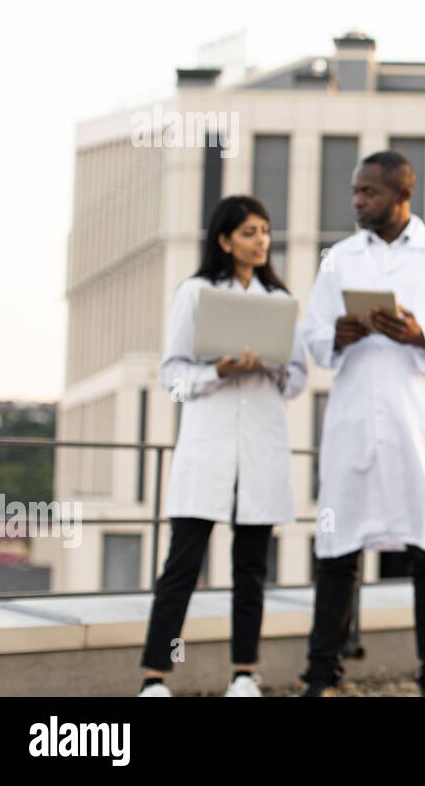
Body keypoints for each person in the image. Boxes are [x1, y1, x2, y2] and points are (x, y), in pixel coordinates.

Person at [298, 151, 425, 697]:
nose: (358, 201)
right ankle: (321, 676)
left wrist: (418, 337)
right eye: (356, 191)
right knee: (337, 552)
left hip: (418, 425)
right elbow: (311, 337)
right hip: (354, 422)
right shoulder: (338, 259)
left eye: (368, 193)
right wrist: (337, 334)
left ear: (401, 194)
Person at [139, 196, 308, 697]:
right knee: (182, 566)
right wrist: (218, 371)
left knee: (251, 568)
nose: (260, 241)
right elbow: (172, 374)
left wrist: (270, 365)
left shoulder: (280, 300)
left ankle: (243, 672)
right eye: (250, 232)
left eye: (265, 231)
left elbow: (298, 379)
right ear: (224, 239)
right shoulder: (194, 294)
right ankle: (154, 676)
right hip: (208, 446)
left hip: (260, 445)